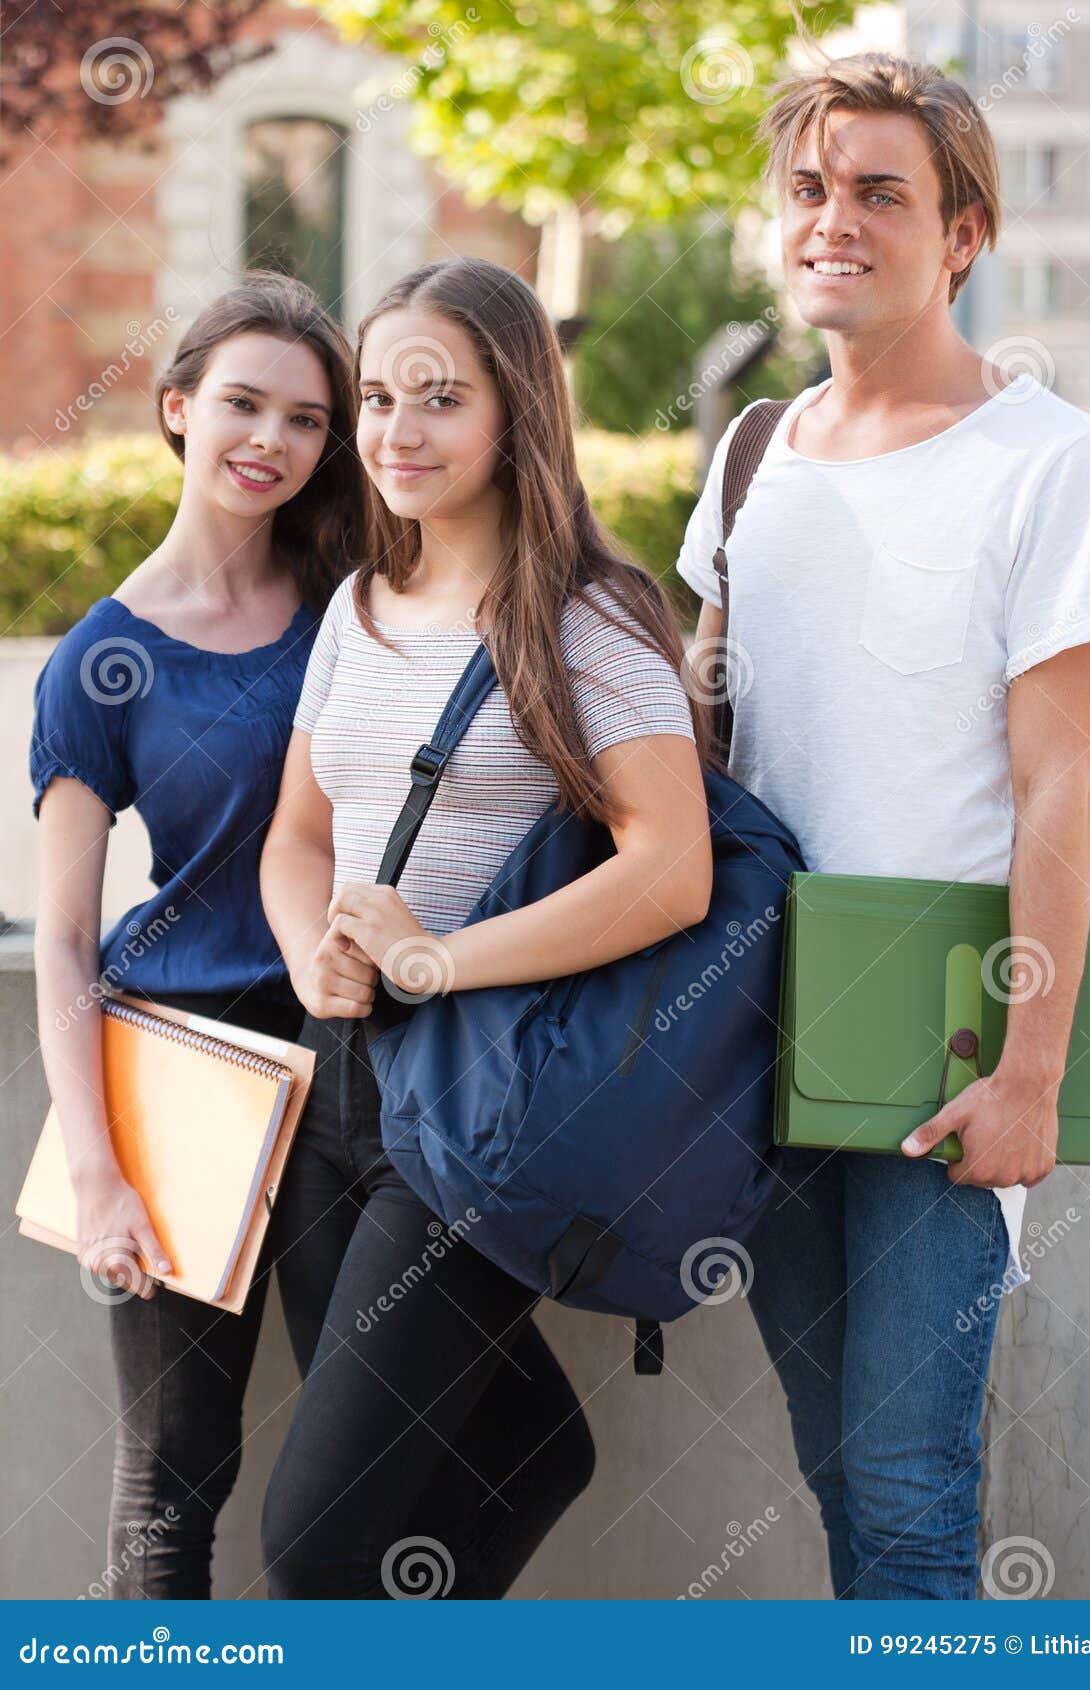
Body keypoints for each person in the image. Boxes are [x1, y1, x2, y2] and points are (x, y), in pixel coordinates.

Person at [676, 53, 1090, 1599]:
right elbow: (698, 743)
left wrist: (1034, 1069)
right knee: (837, 1479)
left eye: (881, 191)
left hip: (941, 1049)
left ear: (962, 233)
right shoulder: (750, 454)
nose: (835, 220)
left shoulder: (1051, 464)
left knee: (912, 1488)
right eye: (809, 190)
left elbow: (1063, 785)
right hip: (753, 1031)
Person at [258, 255, 714, 1599]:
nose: (395, 431)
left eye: (439, 398)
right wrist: (316, 961)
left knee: (317, 1543)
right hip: (325, 1085)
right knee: (517, 1438)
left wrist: (434, 957)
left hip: (459, 1119)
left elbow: (673, 870)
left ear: (516, 410)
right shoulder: (354, 605)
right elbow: (297, 835)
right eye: (379, 397)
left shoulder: (587, 619)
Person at [30, 272, 371, 1598]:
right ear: (176, 408)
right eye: (242, 403)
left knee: (382, 1456)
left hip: (355, 1064)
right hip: (183, 1072)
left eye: (305, 419)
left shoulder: (358, 601)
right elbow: (63, 940)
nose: (271, 441)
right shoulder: (100, 661)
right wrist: (104, 1174)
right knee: (175, 1480)